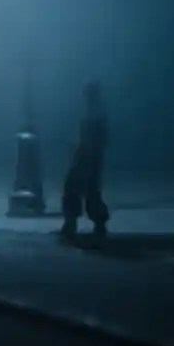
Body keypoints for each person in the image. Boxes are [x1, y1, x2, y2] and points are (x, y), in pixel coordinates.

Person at [60, 79, 109, 241]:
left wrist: (84, 149)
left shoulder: (94, 112)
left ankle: (72, 224)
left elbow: (94, 136)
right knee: (91, 190)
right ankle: (96, 223)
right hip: (90, 153)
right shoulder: (96, 111)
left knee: (74, 187)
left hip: (88, 154)